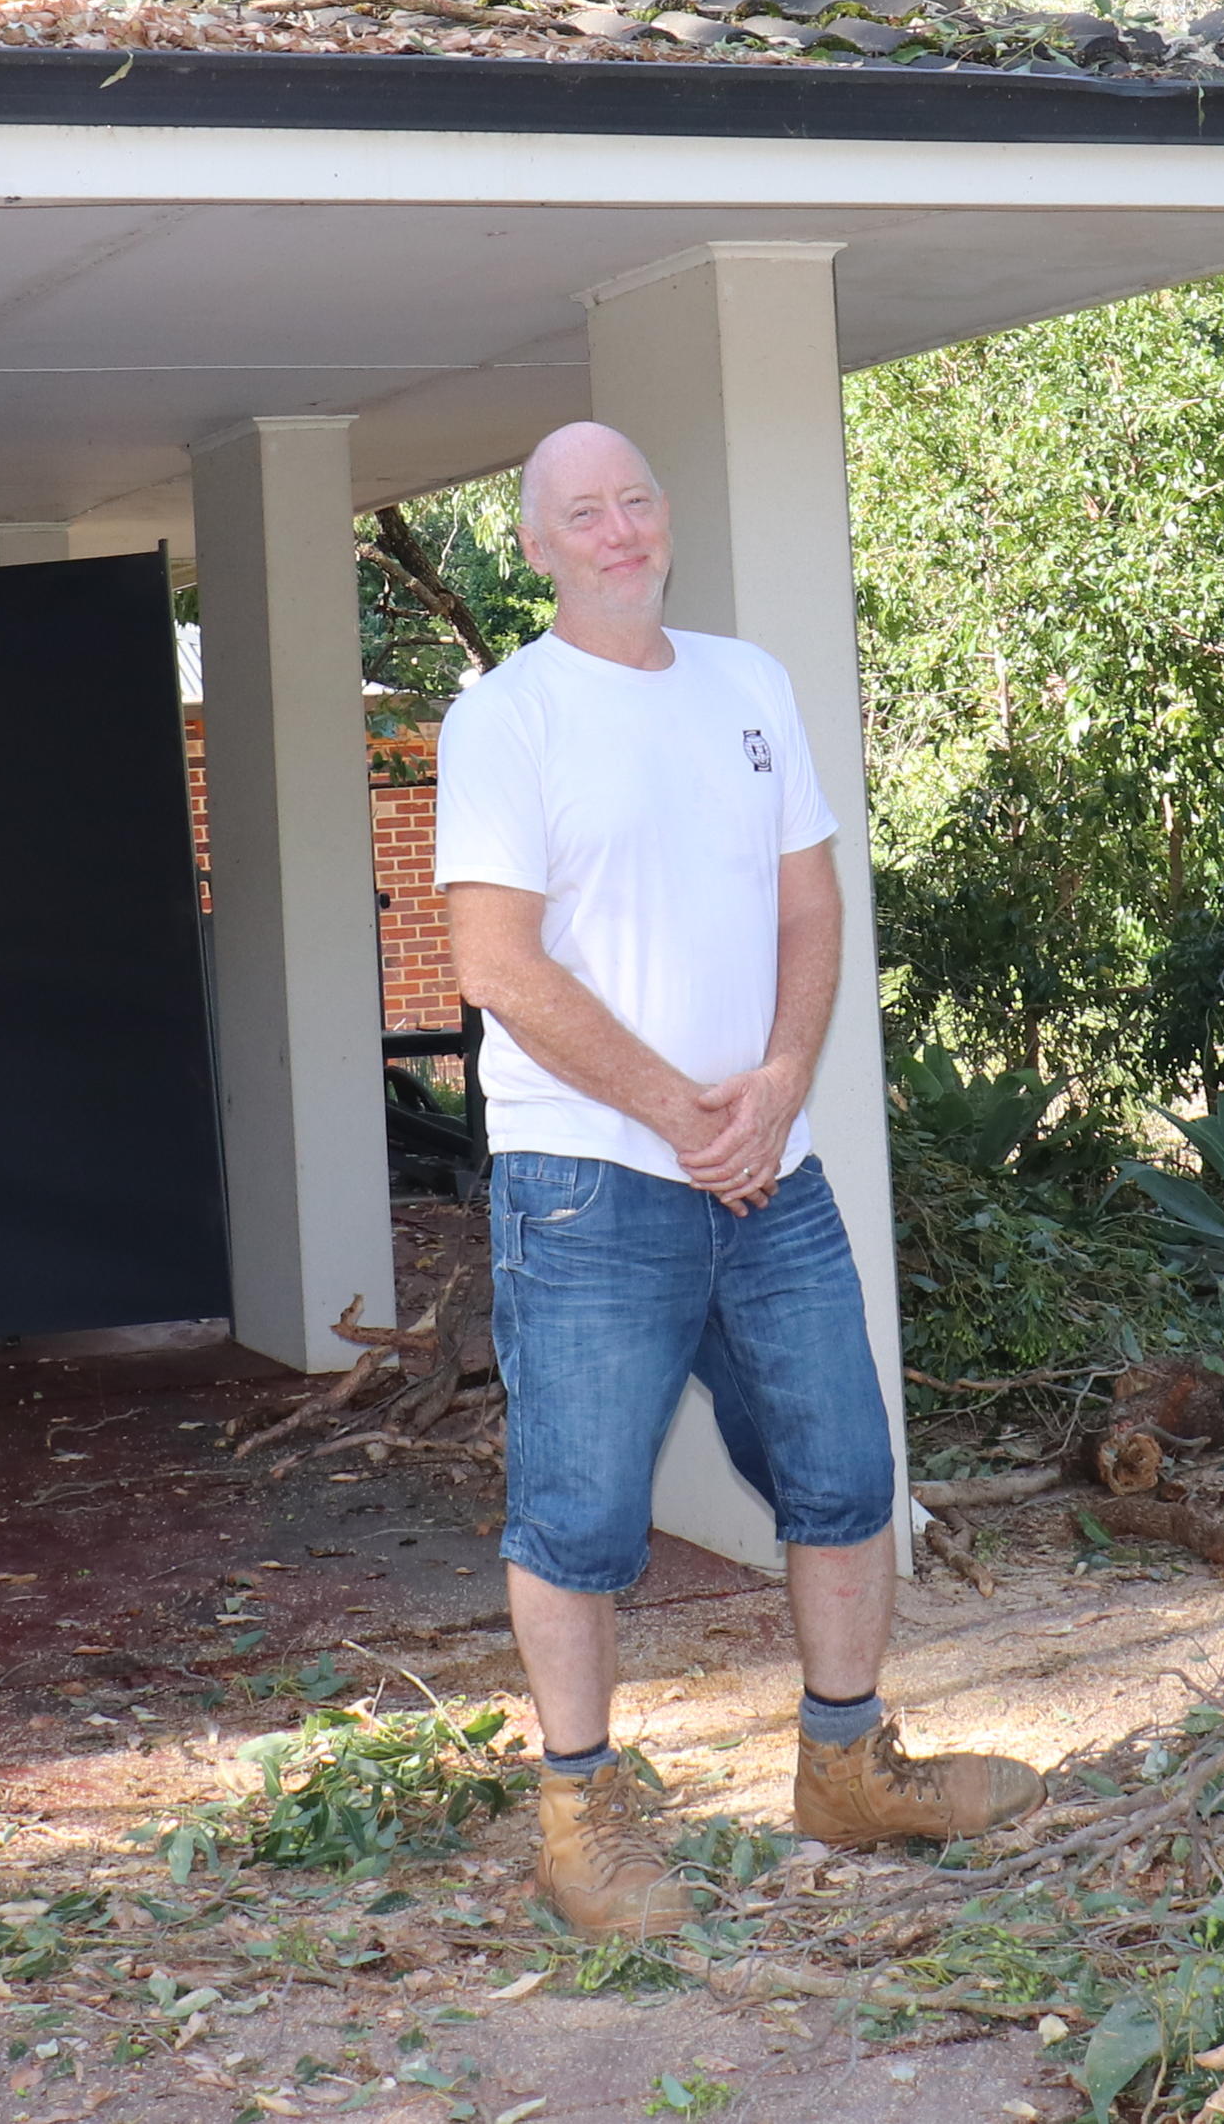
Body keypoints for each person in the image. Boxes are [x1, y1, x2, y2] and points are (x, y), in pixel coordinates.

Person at [430, 419, 1047, 1938]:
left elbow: (811, 906)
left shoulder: (749, 683)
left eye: (638, 497)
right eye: (585, 510)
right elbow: (491, 958)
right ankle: (580, 1820)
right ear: (536, 543)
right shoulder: (506, 717)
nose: (621, 527)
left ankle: (846, 1771)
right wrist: (676, 1109)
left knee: (846, 1473)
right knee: (577, 1518)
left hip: (776, 1168)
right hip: (589, 1186)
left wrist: (774, 1085)